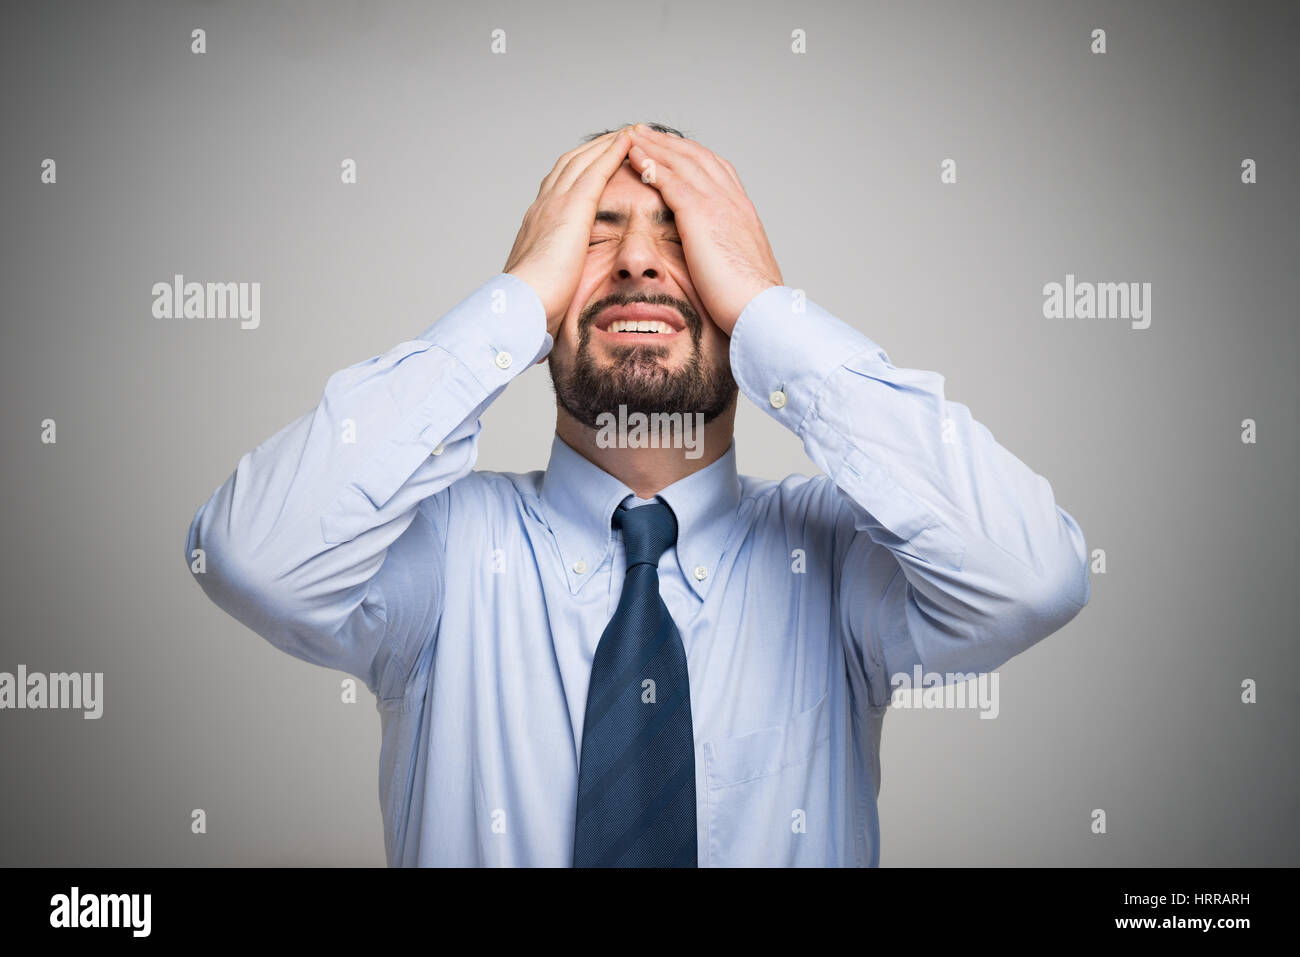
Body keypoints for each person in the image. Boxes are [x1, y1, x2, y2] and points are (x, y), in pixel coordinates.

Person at [184, 122, 1090, 867]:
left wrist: (774, 312)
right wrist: (509, 307)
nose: (639, 265)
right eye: (596, 234)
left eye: (681, 238)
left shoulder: (836, 560)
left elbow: (1034, 576)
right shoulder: (443, 554)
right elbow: (256, 556)